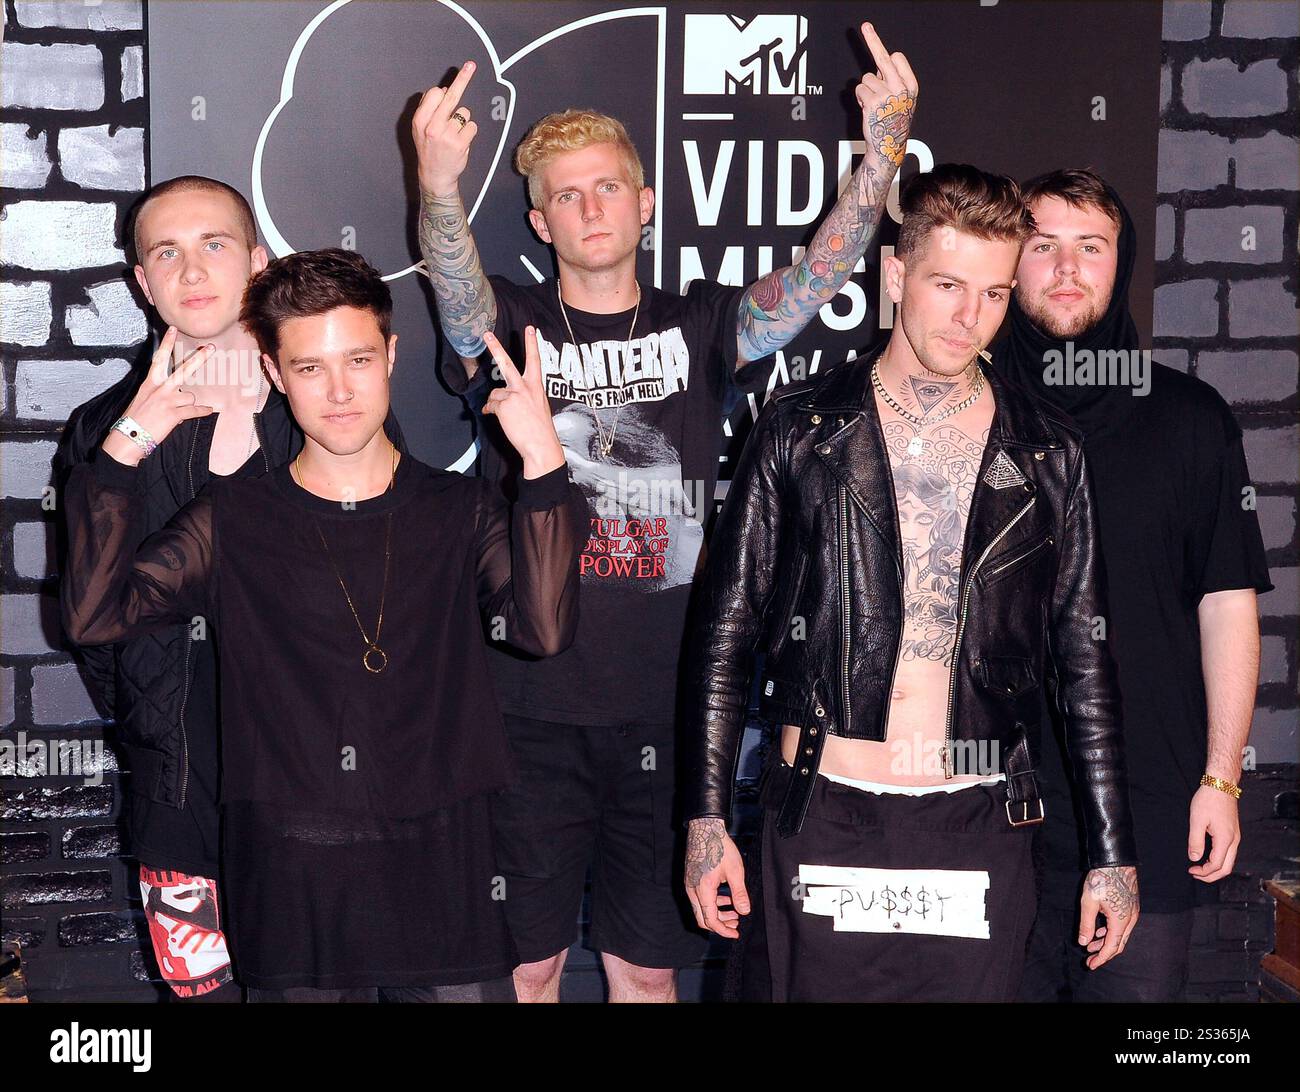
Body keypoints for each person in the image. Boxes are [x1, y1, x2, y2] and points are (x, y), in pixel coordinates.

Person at [412, 23, 919, 1001]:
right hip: (523, 710)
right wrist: (437, 187)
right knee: (528, 971)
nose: (589, 205)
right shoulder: (512, 327)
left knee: (648, 975)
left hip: (670, 709)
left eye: (608, 185)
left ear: (644, 205)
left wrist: (883, 150)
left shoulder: (701, 324)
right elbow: (458, 301)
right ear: (541, 221)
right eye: (566, 194)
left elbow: (817, 282)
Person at [60, 248, 587, 1001]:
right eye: (309, 368)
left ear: (392, 357)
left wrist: (541, 461)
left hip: (446, 876)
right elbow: (94, 614)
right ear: (276, 375)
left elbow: (542, 630)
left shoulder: (460, 510)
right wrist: (127, 442)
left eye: (359, 361)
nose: (339, 391)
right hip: (290, 879)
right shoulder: (233, 517)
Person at [682, 164, 1140, 1002]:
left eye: (997, 294)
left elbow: (1086, 661)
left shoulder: (1049, 449)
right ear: (895, 275)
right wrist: (707, 819)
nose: (971, 319)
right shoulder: (799, 429)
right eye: (948, 285)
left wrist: (1113, 853)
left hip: (977, 816)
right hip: (825, 806)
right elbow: (725, 634)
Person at [53, 176, 405, 1000]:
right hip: (179, 799)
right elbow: (89, 622)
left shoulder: (328, 405)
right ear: (142, 282)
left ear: (256, 260)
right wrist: (151, 715)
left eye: (214, 244)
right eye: (165, 253)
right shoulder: (103, 431)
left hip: (327, 796)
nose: (191, 270)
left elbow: (395, 580)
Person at [993, 169, 1272, 1002]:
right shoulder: (966, 409)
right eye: (1043, 246)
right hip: (987, 804)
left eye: (1091, 246)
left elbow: (1227, 606)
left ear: (1123, 264)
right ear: (1012, 260)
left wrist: (1221, 778)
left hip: (1151, 793)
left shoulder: (1189, 417)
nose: (1067, 268)